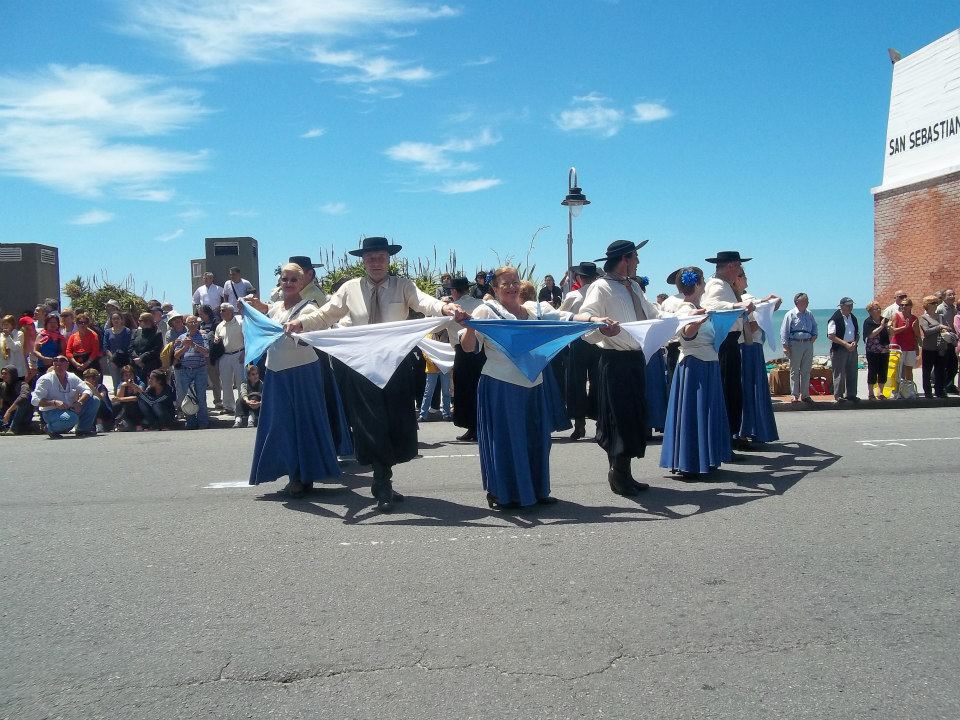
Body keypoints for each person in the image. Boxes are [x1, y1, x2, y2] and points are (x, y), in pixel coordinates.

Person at [288, 237, 458, 511]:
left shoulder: (403, 285)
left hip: (395, 362)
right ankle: (382, 481)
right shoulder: (349, 288)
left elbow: (425, 302)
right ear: (363, 262)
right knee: (370, 421)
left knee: (396, 421)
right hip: (361, 365)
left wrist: (444, 307)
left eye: (380, 257)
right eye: (370, 258)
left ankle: (383, 478)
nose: (376, 262)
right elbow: (326, 315)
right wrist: (301, 322)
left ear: (388, 260)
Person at [458, 266, 594, 509]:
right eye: (505, 283)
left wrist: (595, 321)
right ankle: (503, 493)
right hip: (501, 385)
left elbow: (567, 318)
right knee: (506, 440)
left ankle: (537, 490)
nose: (512, 287)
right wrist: (470, 326)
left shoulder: (534, 310)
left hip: (534, 383)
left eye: (515, 282)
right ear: (495, 288)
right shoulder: (486, 310)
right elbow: (469, 347)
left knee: (537, 438)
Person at [242, 263, 341, 497]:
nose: (288, 283)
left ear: (302, 282)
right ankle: (292, 473)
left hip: (302, 371)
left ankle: (302, 476)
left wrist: (298, 332)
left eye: (293, 280)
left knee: (304, 423)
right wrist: (250, 307)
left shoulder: (309, 308)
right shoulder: (275, 307)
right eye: (284, 279)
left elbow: (309, 337)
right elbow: (268, 317)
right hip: (275, 371)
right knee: (280, 424)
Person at [577, 239, 660, 495]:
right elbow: (584, 320)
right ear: (625, 259)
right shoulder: (601, 286)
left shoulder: (633, 286)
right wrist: (599, 324)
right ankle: (618, 474)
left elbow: (652, 315)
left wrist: (682, 318)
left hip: (635, 360)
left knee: (634, 416)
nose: (638, 261)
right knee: (618, 418)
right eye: (635, 256)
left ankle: (625, 473)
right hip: (614, 361)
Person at [659, 267, 731, 477]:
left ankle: (706, 458)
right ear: (698, 284)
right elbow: (686, 334)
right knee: (695, 413)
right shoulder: (686, 308)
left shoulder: (700, 307)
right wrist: (697, 322)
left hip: (708, 362)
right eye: (703, 280)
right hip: (694, 364)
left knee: (706, 411)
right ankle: (690, 461)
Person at [702, 251, 756, 439]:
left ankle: (729, 434)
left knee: (732, 388)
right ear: (731, 265)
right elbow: (711, 307)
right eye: (739, 265)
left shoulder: (724, 284)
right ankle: (727, 437)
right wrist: (737, 306)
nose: (741, 269)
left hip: (729, 341)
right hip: (725, 341)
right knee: (728, 388)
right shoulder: (716, 284)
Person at [559, 262, 602, 440]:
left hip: (578, 341)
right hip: (599, 340)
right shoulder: (600, 293)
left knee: (576, 382)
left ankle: (579, 423)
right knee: (598, 381)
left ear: (580, 278)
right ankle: (600, 423)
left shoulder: (573, 296)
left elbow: (561, 316)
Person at [735, 271, 780, 443]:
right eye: (743, 275)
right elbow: (754, 324)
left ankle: (746, 429)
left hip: (747, 346)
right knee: (750, 387)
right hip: (749, 347)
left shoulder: (745, 298)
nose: (746, 278)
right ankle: (751, 429)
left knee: (747, 387)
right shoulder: (746, 299)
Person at [447, 276, 483, 441]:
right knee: (479, 388)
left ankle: (472, 427)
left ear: (454, 291)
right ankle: (480, 425)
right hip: (482, 351)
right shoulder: (481, 304)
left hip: (463, 351)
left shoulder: (453, 309)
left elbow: (436, 326)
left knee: (465, 389)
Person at [31, 355, 101, 438]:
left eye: (61, 364)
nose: (58, 367)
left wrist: (79, 402)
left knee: (94, 400)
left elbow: (87, 390)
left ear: (67, 365)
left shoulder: (72, 377)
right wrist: (54, 402)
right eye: (56, 365)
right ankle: (50, 428)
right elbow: (35, 400)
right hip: (52, 412)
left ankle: (83, 430)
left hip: (70, 409)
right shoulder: (46, 379)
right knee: (71, 418)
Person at [779, 292, 818, 403]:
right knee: (794, 370)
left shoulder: (809, 314)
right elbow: (784, 331)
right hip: (795, 343)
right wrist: (785, 346)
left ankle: (805, 395)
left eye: (807, 301)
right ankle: (794, 395)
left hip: (808, 343)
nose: (807, 303)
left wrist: (814, 335)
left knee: (806, 370)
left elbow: (815, 326)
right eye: (804, 301)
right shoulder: (790, 314)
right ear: (797, 302)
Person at [173, 316, 210, 430]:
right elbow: (176, 355)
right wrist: (185, 347)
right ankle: (191, 422)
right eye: (190, 322)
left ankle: (203, 422)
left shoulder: (203, 336)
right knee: (187, 397)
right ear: (186, 324)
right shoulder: (181, 337)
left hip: (200, 370)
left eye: (195, 322)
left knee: (201, 396)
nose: (193, 324)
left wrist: (193, 345)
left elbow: (207, 352)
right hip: (185, 370)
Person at [827, 297, 860, 403]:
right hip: (839, 348)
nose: (850, 307)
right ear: (841, 306)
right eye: (848, 305)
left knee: (852, 372)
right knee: (839, 373)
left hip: (852, 347)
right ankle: (839, 395)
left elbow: (857, 333)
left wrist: (855, 342)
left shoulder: (853, 317)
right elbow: (831, 336)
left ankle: (851, 394)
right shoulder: (835, 318)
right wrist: (845, 344)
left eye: (851, 305)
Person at [214, 303, 245, 416]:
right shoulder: (220, 326)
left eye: (223, 310)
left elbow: (247, 338)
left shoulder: (240, 322)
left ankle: (243, 406)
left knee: (241, 382)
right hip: (225, 355)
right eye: (220, 310)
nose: (221, 312)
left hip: (239, 353)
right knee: (225, 382)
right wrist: (216, 340)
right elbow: (216, 339)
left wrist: (245, 353)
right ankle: (228, 406)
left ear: (231, 311)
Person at [918, 295, 950, 398]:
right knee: (927, 371)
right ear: (927, 305)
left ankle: (939, 391)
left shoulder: (941, 316)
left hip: (941, 347)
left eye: (936, 303)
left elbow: (948, 327)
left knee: (940, 370)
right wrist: (939, 327)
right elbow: (926, 331)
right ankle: (928, 392)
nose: (936, 305)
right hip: (929, 348)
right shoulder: (924, 317)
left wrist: (945, 329)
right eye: (933, 303)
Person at [419, 332, 452, 422]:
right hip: (432, 368)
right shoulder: (428, 336)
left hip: (445, 368)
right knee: (428, 392)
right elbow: (425, 352)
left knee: (446, 392)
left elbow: (451, 350)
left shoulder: (448, 335)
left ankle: (446, 414)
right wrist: (434, 363)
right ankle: (423, 415)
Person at [863, 301, 890, 400]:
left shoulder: (885, 320)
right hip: (872, 350)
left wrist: (889, 327)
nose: (878, 310)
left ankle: (881, 392)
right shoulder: (868, 322)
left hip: (884, 349)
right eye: (876, 309)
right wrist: (881, 326)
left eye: (879, 308)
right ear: (870, 311)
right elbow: (870, 335)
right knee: (873, 371)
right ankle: (871, 393)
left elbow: (891, 333)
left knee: (883, 371)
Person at [197, 304, 223, 411]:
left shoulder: (216, 323)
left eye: (202, 314)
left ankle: (218, 401)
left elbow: (216, 337)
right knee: (202, 380)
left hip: (212, 355)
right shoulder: (201, 324)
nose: (200, 316)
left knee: (214, 379)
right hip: (201, 355)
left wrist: (207, 334)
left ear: (207, 313)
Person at [889, 297, 921, 382]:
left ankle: (908, 387)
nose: (903, 306)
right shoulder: (896, 316)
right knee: (898, 369)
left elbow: (917, 335)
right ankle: (897, 388)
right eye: (902, 305)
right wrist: (904, 327)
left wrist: (914, 329)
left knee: (909, 369)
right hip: (898, 347)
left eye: (906, 305)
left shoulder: (914, 318)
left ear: (910, 306)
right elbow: (893, 331)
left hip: (910, 347)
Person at [101, 311, 132, 391]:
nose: (116, 320)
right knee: (116, 383)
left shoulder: (127, 331)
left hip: (124, 360)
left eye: (118, 318)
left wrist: (116, 357)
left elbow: (126, 345)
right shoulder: (108, 331)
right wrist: (112, 358)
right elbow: (105, 346)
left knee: (125, 382)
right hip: (112, 361)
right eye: (113, 319)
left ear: (121, 320)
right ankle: (117, 397)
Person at [129, 312, 163, 383]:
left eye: (140, 320)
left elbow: (156, 350)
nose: (138, 322)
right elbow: (131, 347)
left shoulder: (157, 334)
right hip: (136, 366)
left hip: (150, 366)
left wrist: (141, 358)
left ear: (148, 321)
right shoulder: (136, 333)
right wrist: (137, 359)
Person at [65, 312, 101, 378]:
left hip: (90, 361)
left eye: (85, 322)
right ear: (77, 323)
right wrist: (75, 363)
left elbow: (95, 351)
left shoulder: (93, 335)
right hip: (76, 362)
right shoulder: (73, 336)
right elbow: (68, 351)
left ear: (88, 324)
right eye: (80, 322)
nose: (83, 324)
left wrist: (86, 363)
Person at [1, 364, 34, 435]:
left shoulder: (23, 385)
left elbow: (23, 397)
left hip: (22, 415)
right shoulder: (2, 386)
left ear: (12, 374)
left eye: (6, 374)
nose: (3, 376)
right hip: (9, 415)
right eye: (2, 374)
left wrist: (9, 411)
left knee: (26, 400)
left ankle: (13, 428)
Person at [936, 289, 958, 393]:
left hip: (953, 340)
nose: (952, 296)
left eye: (953, 294)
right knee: (944, 364)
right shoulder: (940, 309)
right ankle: (942, 386)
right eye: (950, 295)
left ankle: (949, 385)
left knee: (953, 365)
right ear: (944, 297)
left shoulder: (954, 308)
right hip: (944, 340)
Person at [112, 365, 145, 431]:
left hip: (138, 406)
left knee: (131, 403)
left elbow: (136, 397)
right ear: (123, 377)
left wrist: (133, 385)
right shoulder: (122, 384)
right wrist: (122, 386)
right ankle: (116, 423)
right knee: (115, 405)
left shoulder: (139, 382)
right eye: (126, 375)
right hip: (126, 406)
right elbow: (118, 397)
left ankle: (137, 424)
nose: (128, 377)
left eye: (130, 375)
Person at [82, 368, 115, 432]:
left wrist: (91, 387)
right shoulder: (84, 388)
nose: (86, 379)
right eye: (85, 377)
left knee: (97, 401)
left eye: (88, 377)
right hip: (92, 414)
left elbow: (101, 397)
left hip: (106, 414)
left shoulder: (101, 387)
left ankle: (99, 425)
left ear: (94, 379)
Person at [235, 364, 262, 428]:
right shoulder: (244, 383)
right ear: (249, 376)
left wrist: (260, 403)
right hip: (247, 404)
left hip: (258, 406)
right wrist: (248, 401)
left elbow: (265, 395)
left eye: (256, 374)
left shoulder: (261, 384)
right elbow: (243, 393)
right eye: (253, 374)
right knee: (239, 400)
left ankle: (251, 419)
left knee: (255, 397)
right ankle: (238, 420)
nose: (255, 376)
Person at [0, 315, 27, 380]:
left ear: (12, 325)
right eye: (3, 325)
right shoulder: (1, 336)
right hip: (3, 369)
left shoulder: (19, 334)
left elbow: (16, 347)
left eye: (7, 324)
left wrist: (7, 337)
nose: (4, 326)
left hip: (17, 369)